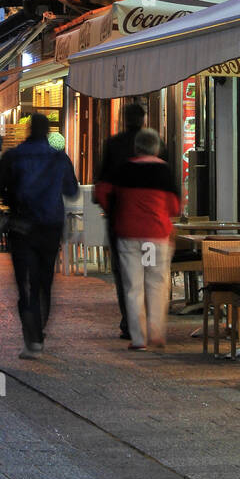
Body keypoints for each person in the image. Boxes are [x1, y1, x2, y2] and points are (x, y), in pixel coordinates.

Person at [0, 112, 79, 359]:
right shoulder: (59, 158)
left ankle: (32, 338)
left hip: (22, 225)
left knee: (25, 284)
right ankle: (37, 335)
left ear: (28, 130)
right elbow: (72, 190)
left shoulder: (13, 156)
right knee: (44, 281)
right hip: (50, 225)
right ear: (48, 132)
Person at [94, 128, 180, 351]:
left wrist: (113, 212)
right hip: (156, 236)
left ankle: (139, 339)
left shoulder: (124, 169)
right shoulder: (165, 171)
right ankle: (157, 332)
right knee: (156, 284)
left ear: (136, 147)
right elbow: (175, 206)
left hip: (129, 234)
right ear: (157, 148)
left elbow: (101, 192)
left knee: (133, 287)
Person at [96, 102, 146, 340]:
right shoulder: (155, 146)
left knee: (124, 271)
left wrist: (110, 208)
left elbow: (101, 185)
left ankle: (130, 320)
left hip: (120, 221)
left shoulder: (113, 145)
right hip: (149, 223)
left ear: (123, 119)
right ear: (144, 119)